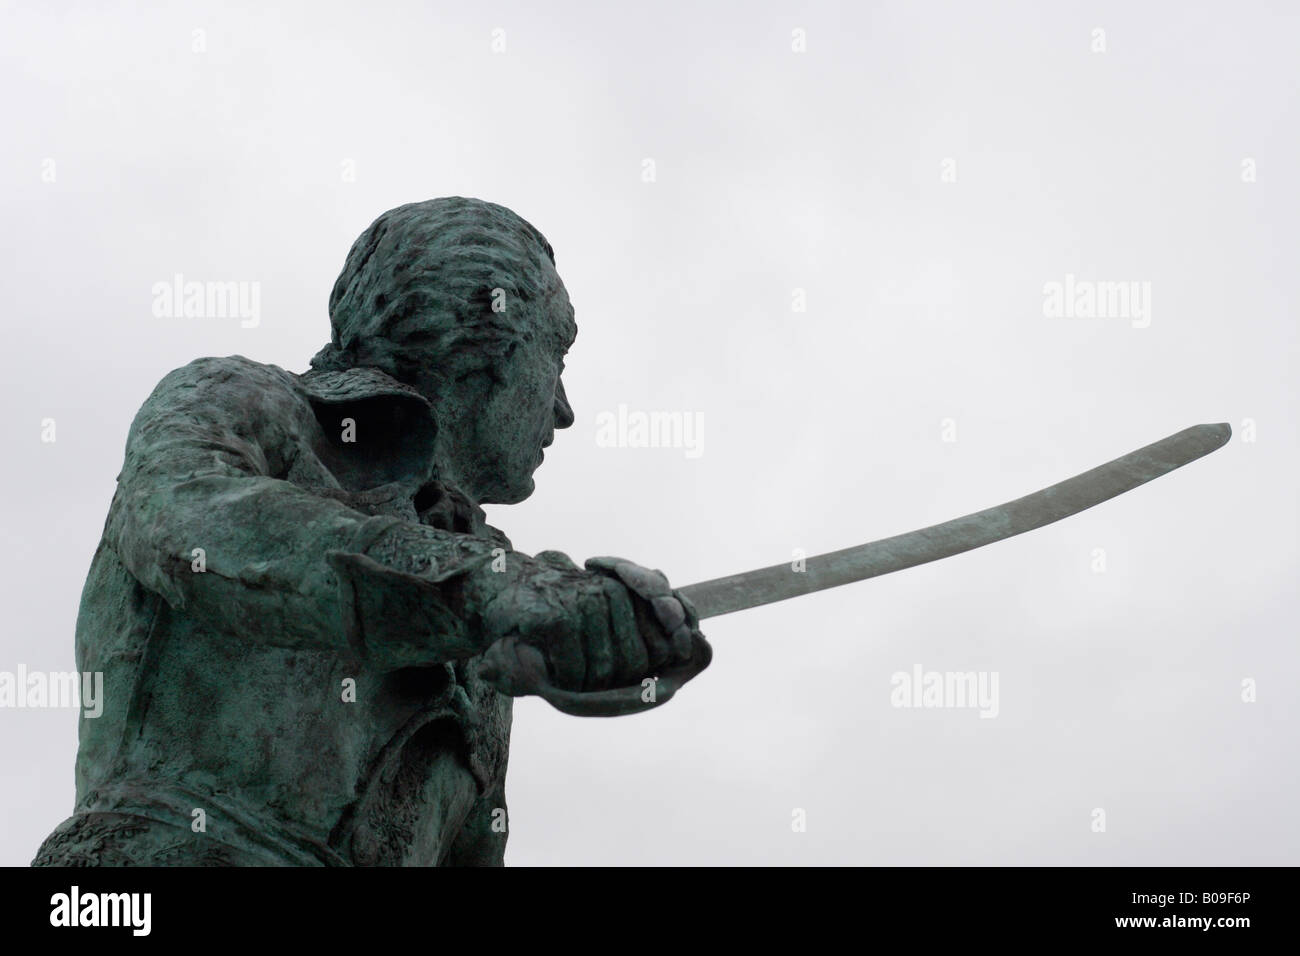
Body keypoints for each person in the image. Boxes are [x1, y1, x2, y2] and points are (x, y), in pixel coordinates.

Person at [32, 197, 711, 867]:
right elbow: (198, 524)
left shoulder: (489, 615)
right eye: (556, 356)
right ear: (484, 333)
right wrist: (494, 590)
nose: (564, 410)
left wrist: (579, 628)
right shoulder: (242, 400)